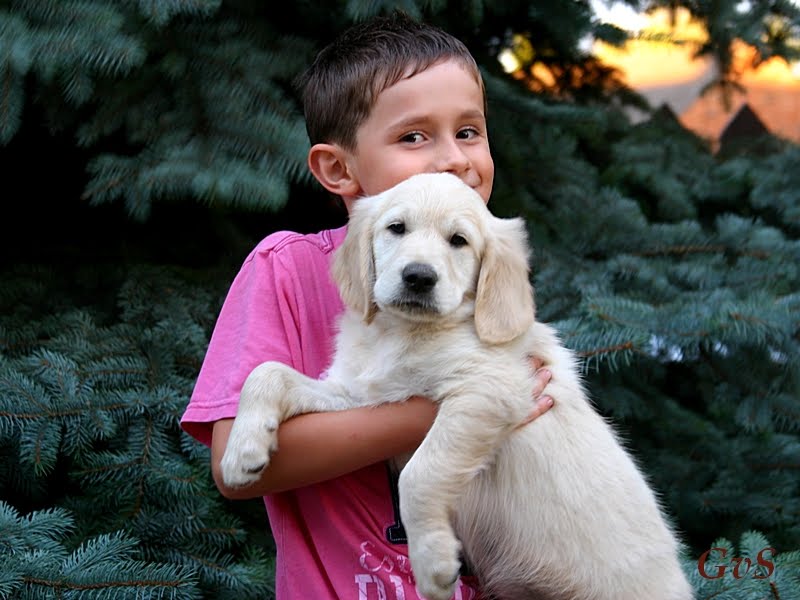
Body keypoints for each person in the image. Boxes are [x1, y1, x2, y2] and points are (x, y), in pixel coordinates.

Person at [181, 12, 554, 600]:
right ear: (338, 168)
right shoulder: (288, 270)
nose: (455, 158)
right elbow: (237, 467)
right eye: (414, 136)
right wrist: (437, 412)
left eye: (469, 132)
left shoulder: (477, 267)